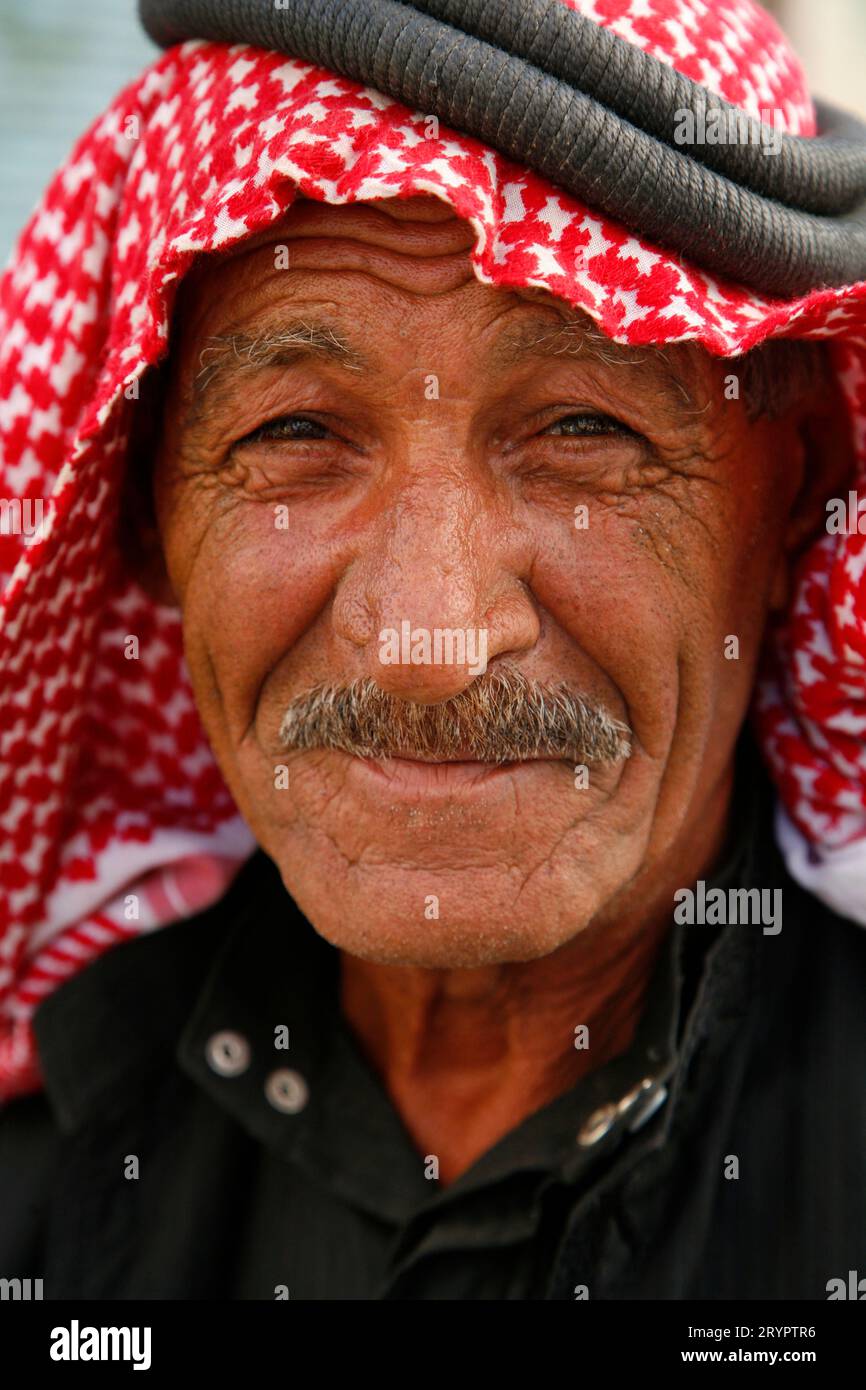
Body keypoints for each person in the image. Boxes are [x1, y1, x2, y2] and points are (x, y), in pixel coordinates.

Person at [1, 0, 865, 1300]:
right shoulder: (47, 1142)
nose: (431, 636)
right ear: (138, 510)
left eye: (583, 426)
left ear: (796, 489)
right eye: (295, 435)